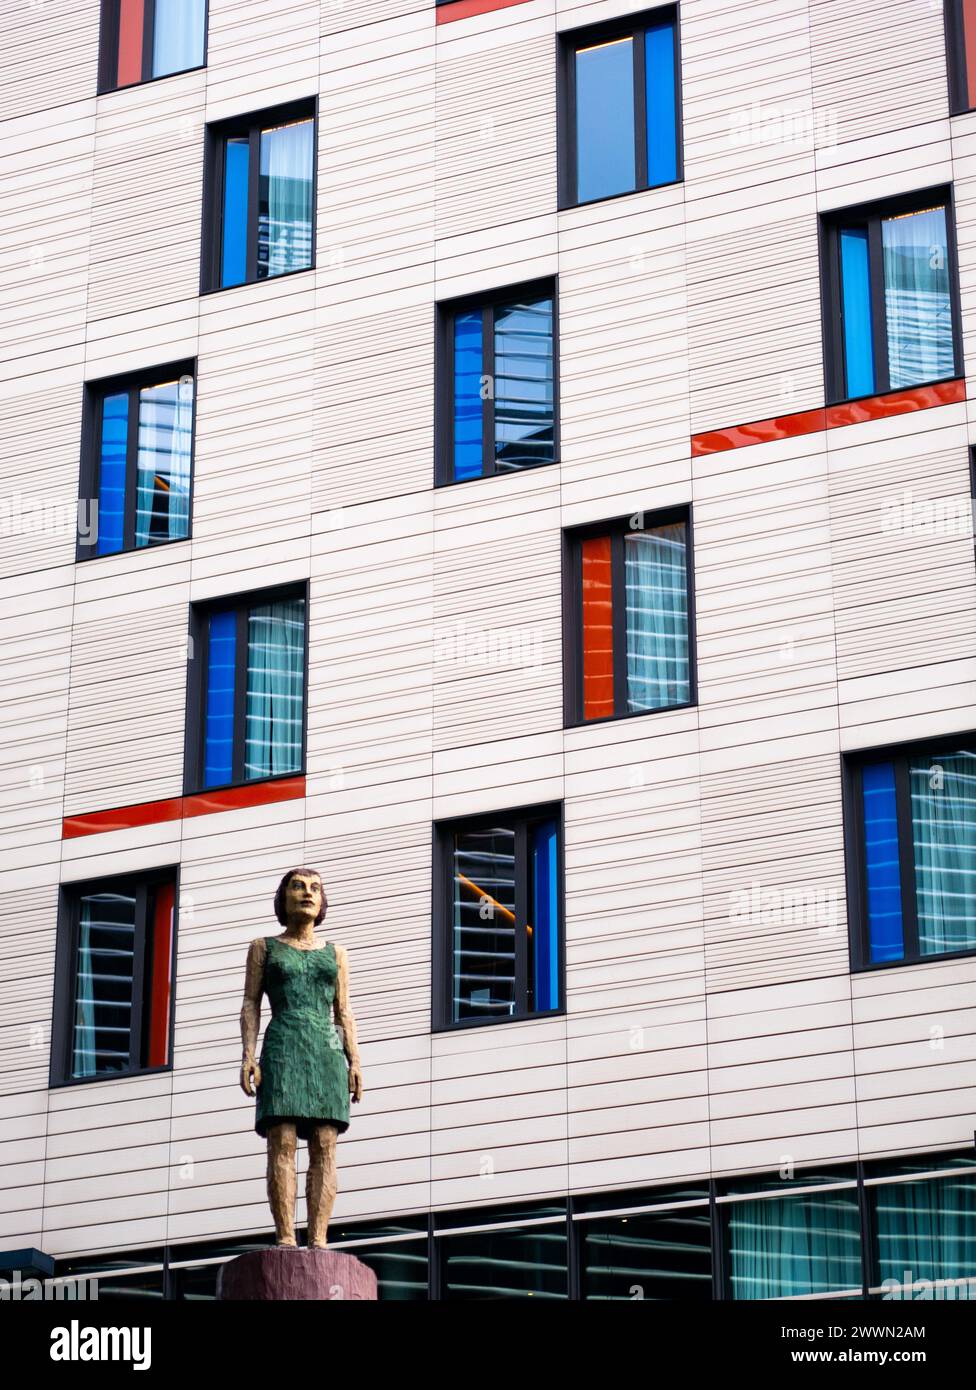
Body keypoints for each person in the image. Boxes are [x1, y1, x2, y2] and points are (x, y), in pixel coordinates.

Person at [239, 868, 363, 1247]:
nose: (308, 894)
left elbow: (344, 1011)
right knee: (282, 1139)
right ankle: (285, 1237)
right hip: (282, 1046)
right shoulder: (264, 947)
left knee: (326, 1142)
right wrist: (248, 1054)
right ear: (284, 897)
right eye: (298, 887)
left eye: (315, 888)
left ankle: (320, 1237)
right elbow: (250, 1003)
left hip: (325, 1050)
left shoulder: (336, 954)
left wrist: (354, 1059)